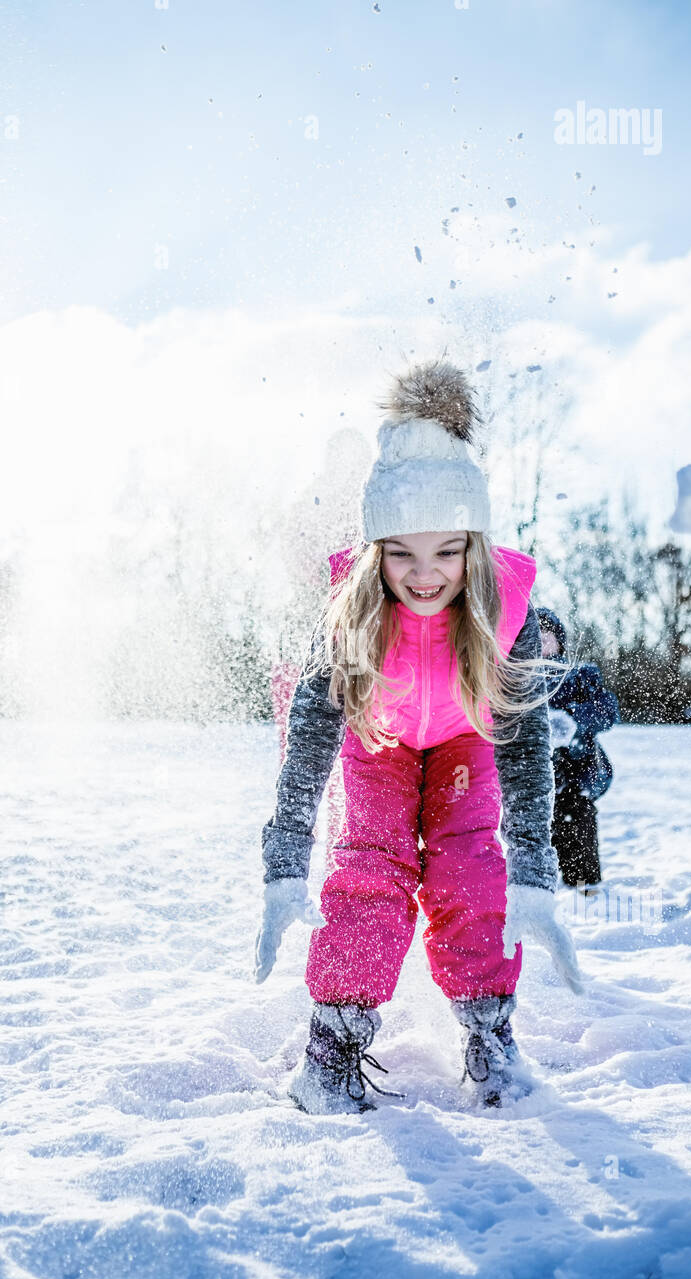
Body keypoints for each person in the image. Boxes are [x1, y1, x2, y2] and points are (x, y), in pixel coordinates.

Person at [255, 359, 584, 1116]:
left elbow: (527, 745)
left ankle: (489, 1030)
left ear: (474, 544)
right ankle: (333, 1041)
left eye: (446, 551)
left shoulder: (507, 613)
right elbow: (308, 742)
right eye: (400, 552)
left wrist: (534, 865)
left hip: (466, 739)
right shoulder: (350, 615)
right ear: (376, 551)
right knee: (372, 864)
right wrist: (283, 862)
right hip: (381, 737)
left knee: (469, 867)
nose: (425, 574)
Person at [536, 607, 619, 893]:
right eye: (532, 635)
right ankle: (537, 885)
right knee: (538, 827)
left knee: (577, 818)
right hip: (533, 771)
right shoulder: (516, 678)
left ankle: (584, 884)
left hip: (576, 768)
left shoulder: (577, 675)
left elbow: (607, 711)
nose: (540, 641)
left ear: (559, 640)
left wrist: (572, 719)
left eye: (546, 635)